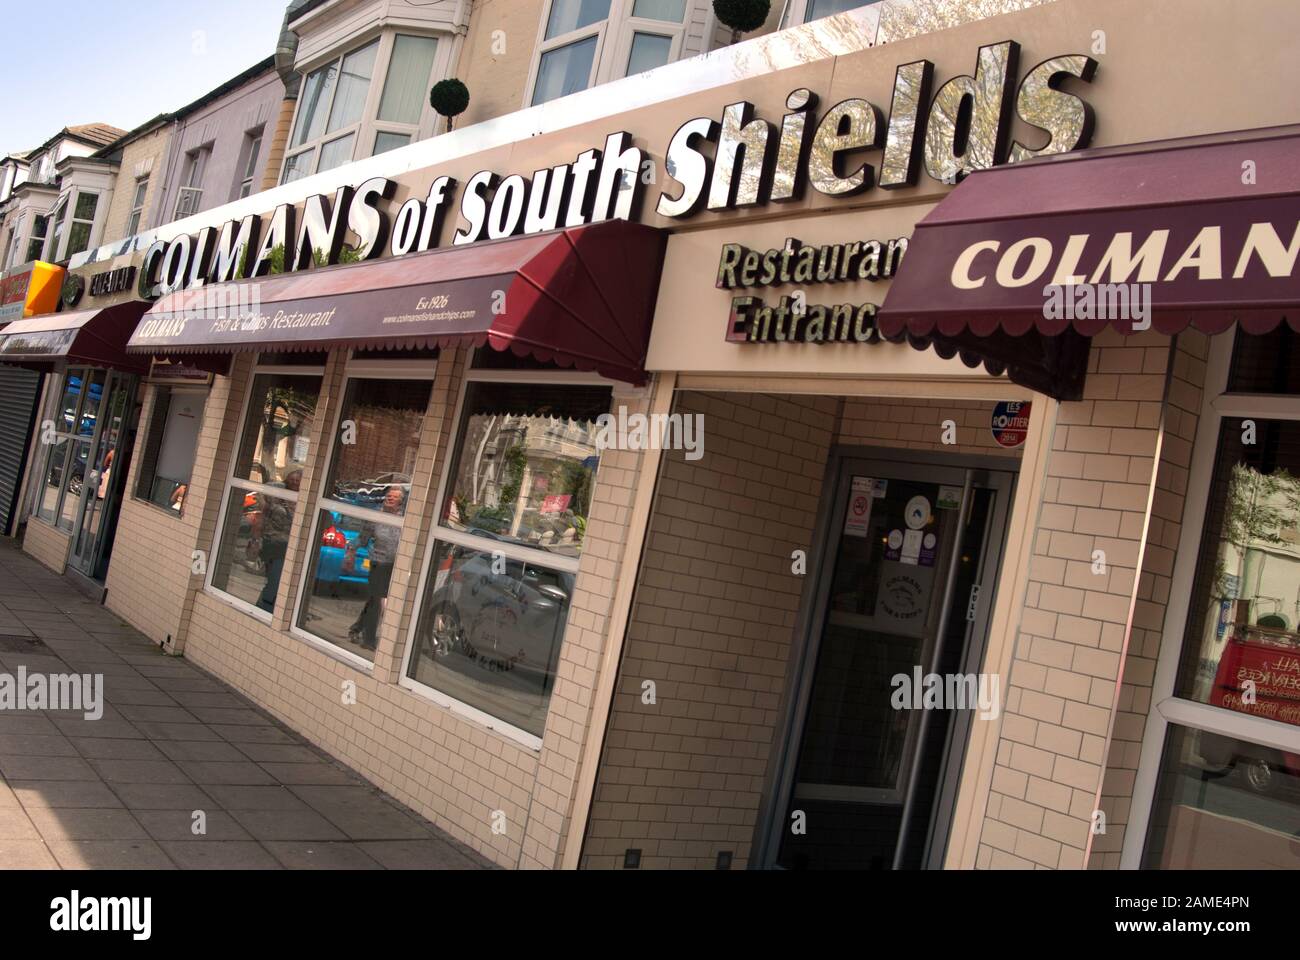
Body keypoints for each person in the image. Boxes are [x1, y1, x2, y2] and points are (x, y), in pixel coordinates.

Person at [350, 485, 405, 650]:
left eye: (394, 497)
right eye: (389, 496)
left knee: (374, 598)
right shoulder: (375, 516)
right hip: (378, 562)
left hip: (395, 566)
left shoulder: (405, 519)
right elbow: (363, 538)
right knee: (377, 600)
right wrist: (351, 550)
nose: (390, 498)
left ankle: (357, 628)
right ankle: (369, 640)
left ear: (400, 502)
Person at [256, 469, 302, 613]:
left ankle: (262, 607)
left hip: (290, 547)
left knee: (280, 582)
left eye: (298, 481)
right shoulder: (278, 493)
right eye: (292, 480)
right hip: (274, 544)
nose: (294, 483)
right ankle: (264, 609)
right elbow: (261, 494)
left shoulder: (302, 501)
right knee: (275, 579)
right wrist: (256, 538)